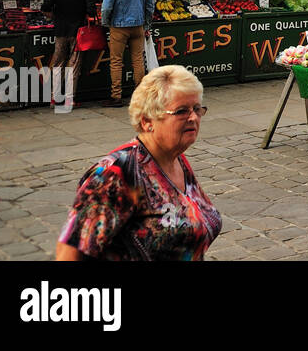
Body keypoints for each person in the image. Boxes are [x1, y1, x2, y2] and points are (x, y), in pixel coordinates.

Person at [56, 66, 222, 260]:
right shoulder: (115, 173)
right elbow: (70, 254)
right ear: (146, 121)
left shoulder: (175, 158)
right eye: (181, 111)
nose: (193, 117)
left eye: (197, 108)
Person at [100, 0, 155, 107]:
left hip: (118, 26)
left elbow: (106, 7)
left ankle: (116, 96)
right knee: (138, 60)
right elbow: (150, 6)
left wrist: (106, 23)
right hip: (138, 26)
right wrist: (146, 25)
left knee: (116, 61)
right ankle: (139, 96)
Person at [42, 0, 95, 106]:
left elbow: (45, 7)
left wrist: (54, 15)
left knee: (57, 63)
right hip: (78, 32)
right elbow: (91, 12)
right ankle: (69, 99)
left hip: (60, 30)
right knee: (74, 64)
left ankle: (54, 97)